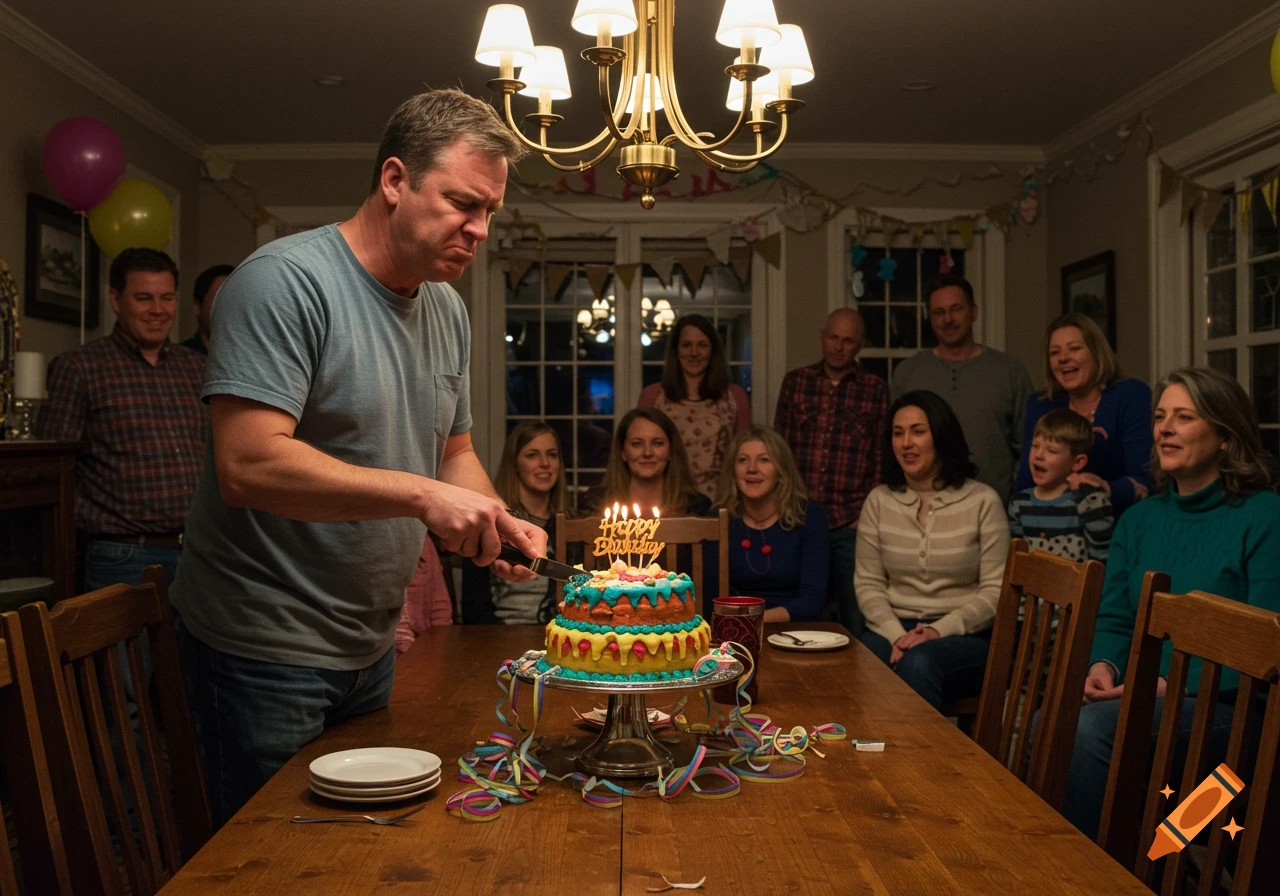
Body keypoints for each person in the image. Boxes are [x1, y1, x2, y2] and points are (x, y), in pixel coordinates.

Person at [169, 89, 546, 827]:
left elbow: (454, 451)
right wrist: (422, 497)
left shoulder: (445, 304)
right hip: (260, 652)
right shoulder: (284, 282)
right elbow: (248, 466)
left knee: (350, 855)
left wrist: (495, 517)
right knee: (259, 866)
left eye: (490, 213)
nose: (479, 230)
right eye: (463, 203)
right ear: (396, 180)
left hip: (370, 647)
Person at [1060, 367, 1280, 839]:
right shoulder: (1139, 520)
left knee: (1090, 732)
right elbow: (1117, 616)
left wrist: (1165, 683)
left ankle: (1107, 875)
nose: (1164, 428)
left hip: (1238, 710)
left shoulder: (1265, 516)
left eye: (1184, 417)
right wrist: (1105, 665)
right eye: (1161, 416)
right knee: (1048, 723)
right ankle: (1127, 862)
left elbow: (1265, 645)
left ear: (1225, 436)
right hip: (1149, 696)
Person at [39, 247, 207, 590]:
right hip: (123, 557)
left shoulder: (199, 367)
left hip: (201, 553)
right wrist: (98, 524)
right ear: (116, 300)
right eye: (144, 298)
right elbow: (54, 471)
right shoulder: (79, 368)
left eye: (167, 298)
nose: (158, 310)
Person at [855, 390, 1009, 710]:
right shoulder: (879, 501)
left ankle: (917, 761)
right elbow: (868, 584)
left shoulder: (983, 500)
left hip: (965, 634)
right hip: (892, 626)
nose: (906, 443)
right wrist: (898, 635)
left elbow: (996, 591)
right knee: (859, 661)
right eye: (898, 434)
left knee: (919, 663)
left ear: (941, 436)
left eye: (918, 431)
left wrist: (938, 630)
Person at [774, 307, 887, 635]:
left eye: (848, 341)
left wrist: (866, 513)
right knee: (803, 609)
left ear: (860, 345)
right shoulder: (797, 382)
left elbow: (880, 456)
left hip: (850, 520)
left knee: (857, 612)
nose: (839, 347)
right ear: (823, 338)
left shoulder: (874, 389)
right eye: (833, 338)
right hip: (798, 516)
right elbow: (780, 448)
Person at [891, 274, 1033, 505]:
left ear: (973, 312)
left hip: (995, 508)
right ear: (931, 318)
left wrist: (1015, 498)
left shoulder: (1010, 371)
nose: (948, 319)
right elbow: (894, 445)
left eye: (956, 309)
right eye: (939, 312)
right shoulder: (908, 373)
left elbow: (1028, 445)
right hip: (920, 511)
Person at [1013, 313, 1152, 515]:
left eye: (1075, 348)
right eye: (1054, 352)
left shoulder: (1130, 395)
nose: (1063, 358)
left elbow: (1147, 480)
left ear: (1097, 352)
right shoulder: (1041, 404)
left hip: (1121, 523)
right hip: (1053, 526)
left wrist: (1106, 488)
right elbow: (1026, 483)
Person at [713, 425, 829, 623]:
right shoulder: (719, 519)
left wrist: (754, 619)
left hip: (797, 631)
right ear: (733, 471)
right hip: (733, 630)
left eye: (764, 460)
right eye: (742, 460)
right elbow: (709, 597)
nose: (752, 469)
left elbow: (813, 601)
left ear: (781, 470)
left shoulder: (809, 515)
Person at [462, 421, 568, 625]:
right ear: (515, 464)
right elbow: (474, 607)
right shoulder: (493, 523)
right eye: (532, 455)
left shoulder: (570, 525)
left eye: (552, 455)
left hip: (561, 636)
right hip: (500, 634)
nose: (545, 463)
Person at [638, 313, 750, 499]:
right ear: (676, 350)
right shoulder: (653, 396)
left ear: (713, 351)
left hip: (721, 502)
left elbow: (744, 456)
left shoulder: (735, 397)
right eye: (686, 345)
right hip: (665, 499)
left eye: (702, 345)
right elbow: (641, 455)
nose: (694, 353)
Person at [1007, 409, 1114, 563]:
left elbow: (1102, 560)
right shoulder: (1019, 502)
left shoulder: (1090, 500)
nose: (1039, 455)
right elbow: (1017, 562)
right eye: (1035, 446)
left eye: (1051, 450)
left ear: (1078, 462)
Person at [588, 407, 712, 517]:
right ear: (623, 452)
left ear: (670, 451)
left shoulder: (697, 507)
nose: (647, 453)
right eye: (637, 444)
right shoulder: (595, 503)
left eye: (657, 443)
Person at [180, 264, 234, 354]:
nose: (230, 306)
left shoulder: (256, 356)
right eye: (220, 298)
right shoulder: (182, 358)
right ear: (197, 307)